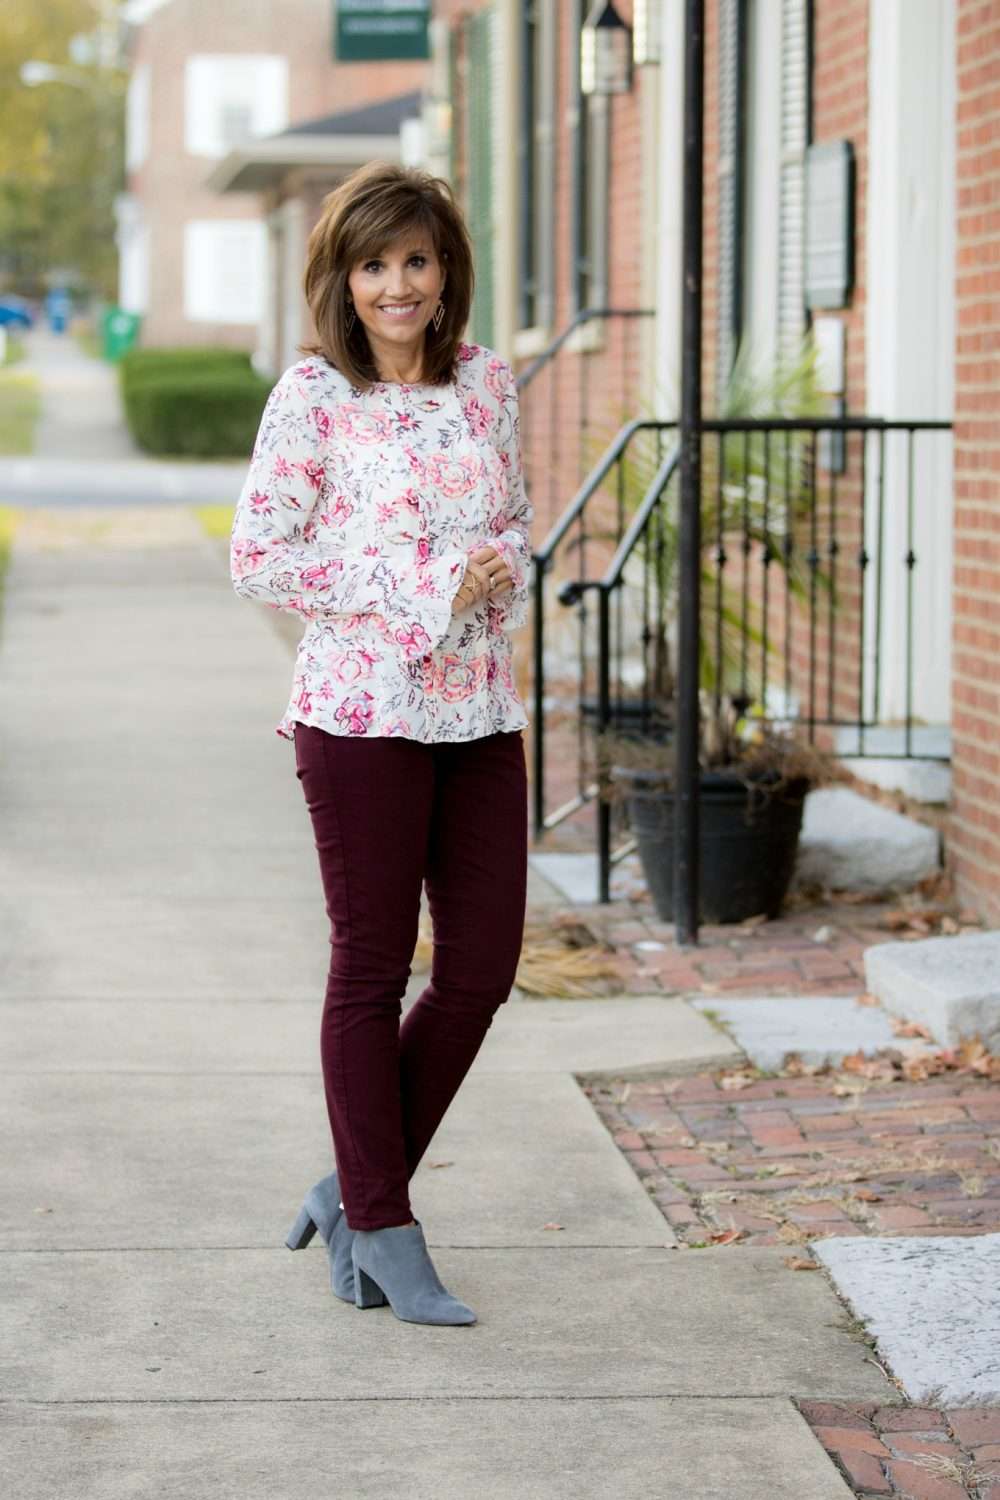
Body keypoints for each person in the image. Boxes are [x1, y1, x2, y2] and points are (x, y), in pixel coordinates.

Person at [230, 162, 533, 1328]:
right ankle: (387, 1222)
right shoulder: (314, 398)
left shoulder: (487, 384)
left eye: (416, 260)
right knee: (372, 964)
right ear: (342, 282)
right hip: (358, 713)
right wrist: (421, 580)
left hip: (477, 710)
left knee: (479, 971)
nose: (397, 284)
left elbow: (509, 516)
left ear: (446, 268)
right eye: (373, 265)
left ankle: (352, 1186)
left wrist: (501, 569)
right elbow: (261, 557)